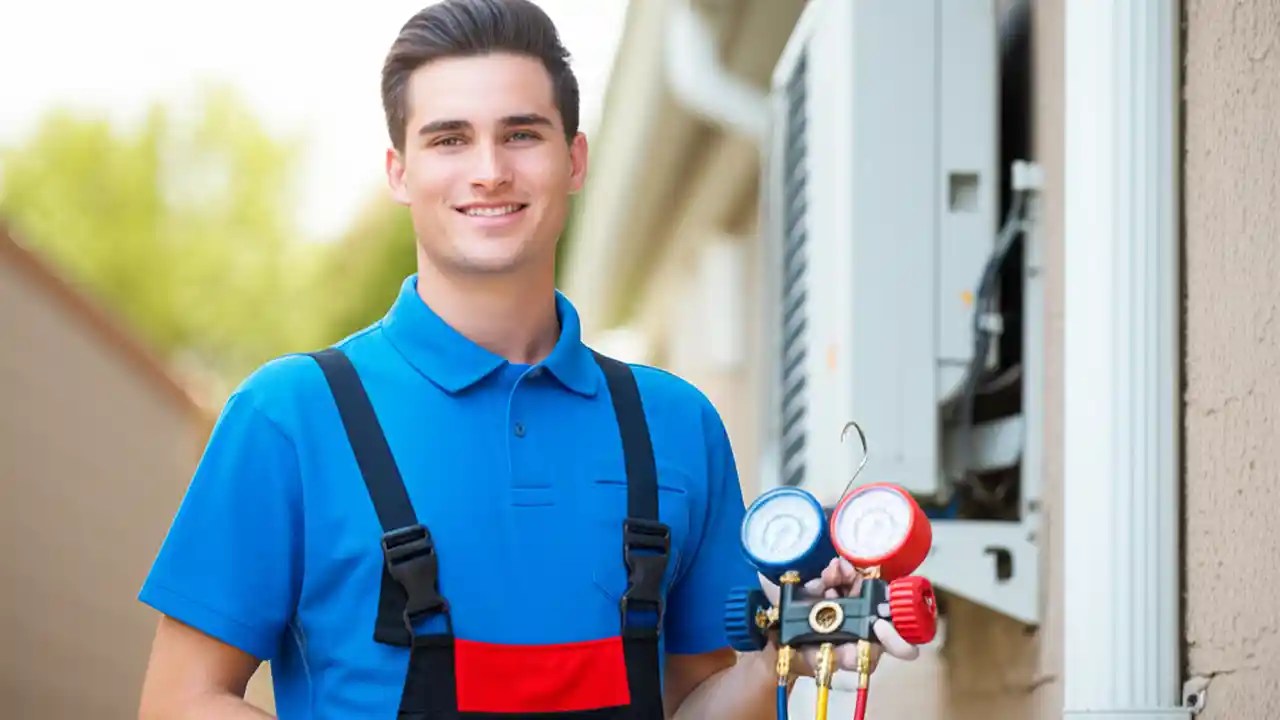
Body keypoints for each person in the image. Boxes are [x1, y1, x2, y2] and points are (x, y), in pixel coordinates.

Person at [135, 1, 917, 718]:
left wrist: (789, 656)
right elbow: (182, 699)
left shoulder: (676, 426)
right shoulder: (291, 417)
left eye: (521, 133)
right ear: (399, 172)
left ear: (574, 160)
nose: (489, 171)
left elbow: (694, 698)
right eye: (449, 138)